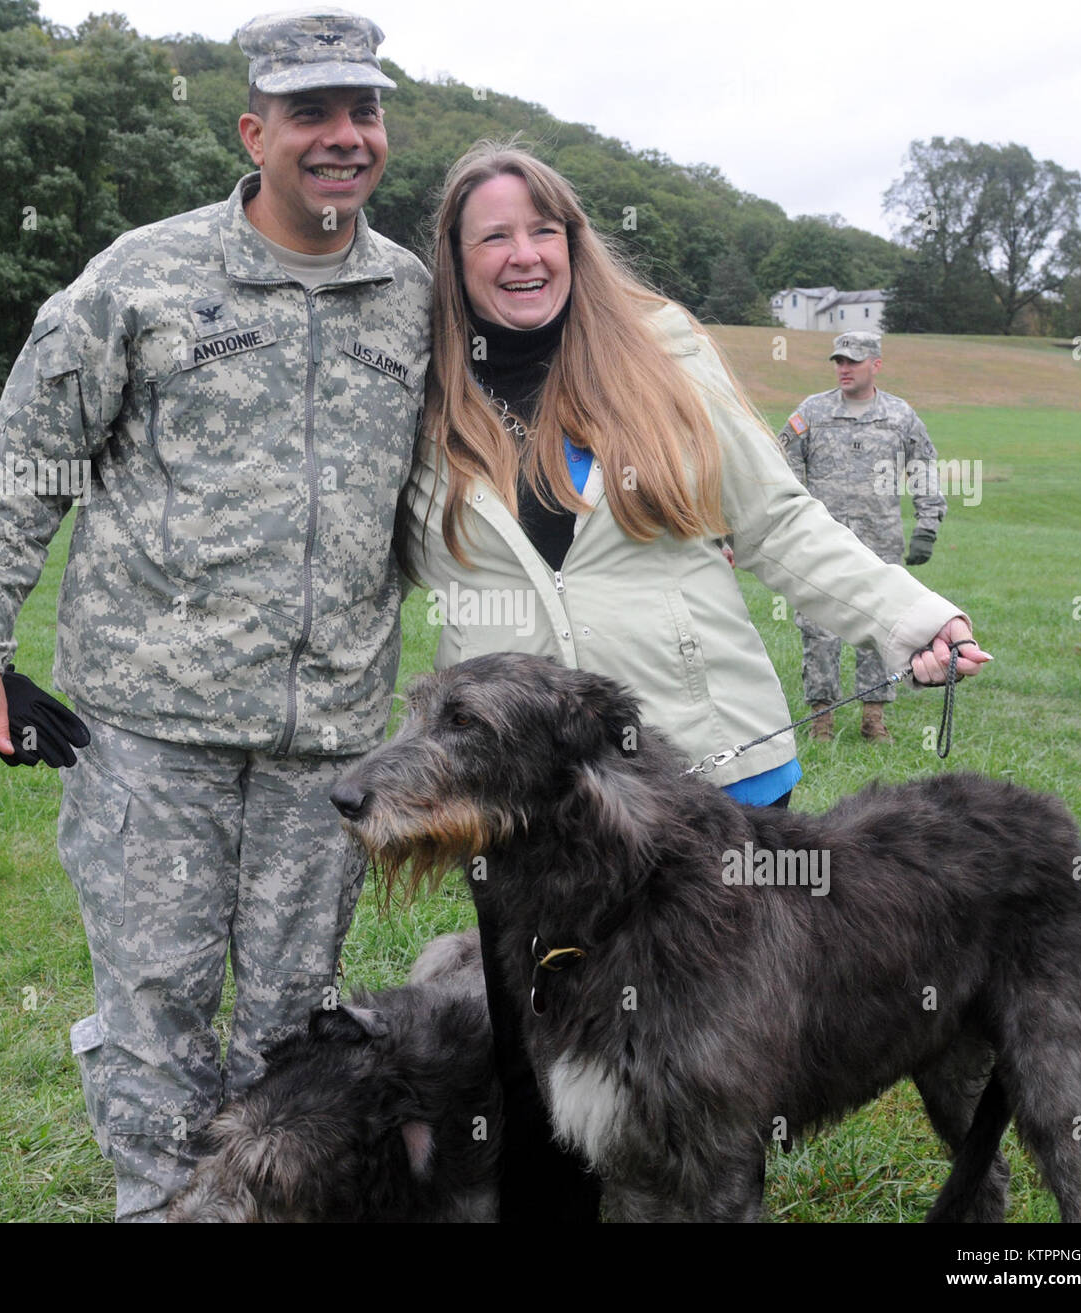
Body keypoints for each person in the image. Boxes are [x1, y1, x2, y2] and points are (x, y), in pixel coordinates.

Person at [398, 141, 988, 1222]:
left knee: (708, 1090)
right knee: (546, 1086)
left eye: (546, 231)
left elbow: (778, 520)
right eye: (494, 235)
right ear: (453, 257)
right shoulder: (421, 387)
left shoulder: (658, 351)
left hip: (707, 782)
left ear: (575, 241)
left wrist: (912, 615)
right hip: (517, 798)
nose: (525, 254)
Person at [0, 8, 431, 1221]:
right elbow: (24, 460)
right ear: (255, 130)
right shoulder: (142, 275)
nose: (342, 137)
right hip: (151, 728)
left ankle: (264, 1207)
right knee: (154, 999)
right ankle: (159, 1210)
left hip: (330, 739)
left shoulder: (412, 294)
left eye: (361, 111)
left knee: (293, 1015)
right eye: (311, 114)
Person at [779, 332, 947, 742]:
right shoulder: (812, 412)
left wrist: (928, 523)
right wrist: (793, 518)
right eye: (838, 361)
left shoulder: (900, 416)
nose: (844, 368)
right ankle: (822, 719)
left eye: (853, 361)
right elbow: (782, 465)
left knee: (879, 627)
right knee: (819, 629)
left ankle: (874, 718)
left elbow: (923, 467)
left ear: (876, 365)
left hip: (879, 543)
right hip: (821, 543)